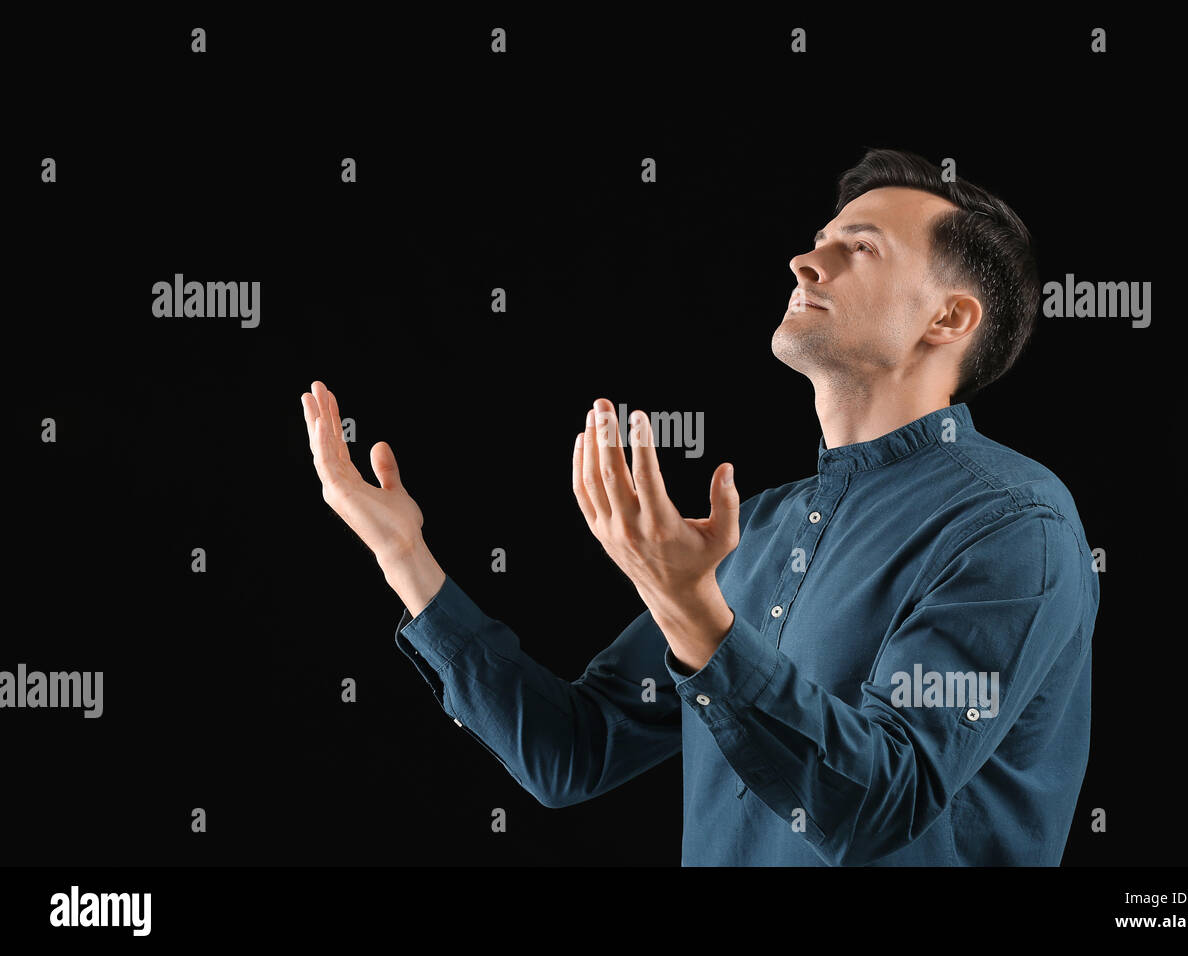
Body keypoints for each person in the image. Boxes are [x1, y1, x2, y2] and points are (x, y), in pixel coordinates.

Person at [300, 148, 1098, 866]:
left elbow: (878, 805)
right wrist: (406, 558)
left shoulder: (1014, 525)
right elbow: (572, 751)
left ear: (950, 318)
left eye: (859, 247)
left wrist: (695, 615)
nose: (805, 261)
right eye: (819, 240)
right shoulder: (756, 530)